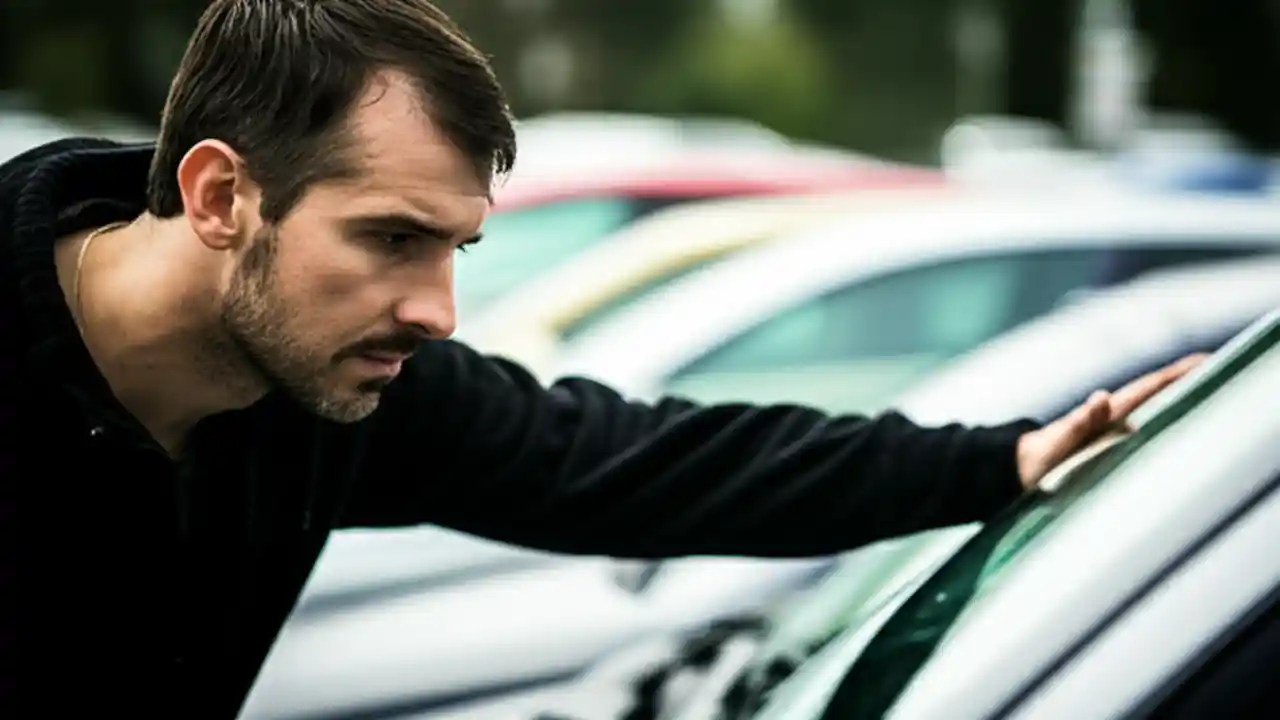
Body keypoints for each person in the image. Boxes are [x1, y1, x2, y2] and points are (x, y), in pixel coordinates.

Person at [0, 1, 1202, 717]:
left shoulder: (320, 384)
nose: (437, 310)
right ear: (220, 194)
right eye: (389, 239)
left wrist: (1000, 462)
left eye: (458, 246)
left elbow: (632, 458)